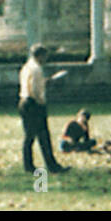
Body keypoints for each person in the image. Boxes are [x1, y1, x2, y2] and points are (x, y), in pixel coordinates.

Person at [18, 44, 67, 173]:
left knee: (29, 136)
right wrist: (41, 103)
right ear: (40, 56)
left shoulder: (26, 67)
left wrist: (44, 82)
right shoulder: (37, 69)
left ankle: (28, 165)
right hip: (34, 104)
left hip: (24, 102)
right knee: (43, 136)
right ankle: (52, 165)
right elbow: (34, 90)